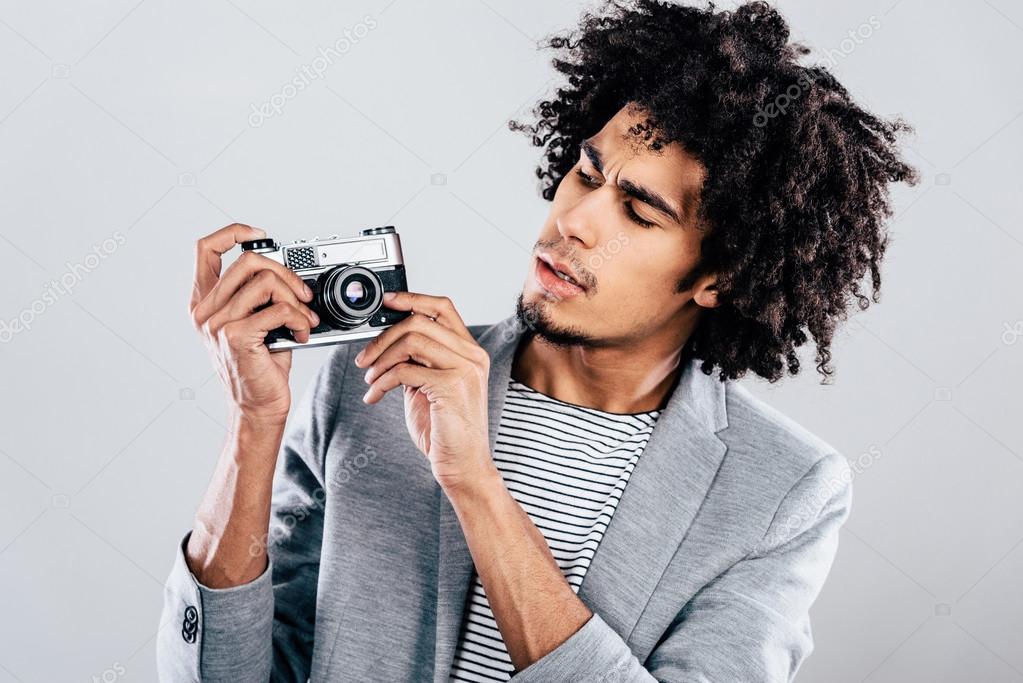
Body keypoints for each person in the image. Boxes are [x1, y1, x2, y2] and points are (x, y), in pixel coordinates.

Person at [157, 1, 917, 680]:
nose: (575, 220)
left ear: (717, 276)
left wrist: (476, 484)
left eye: (639, 212)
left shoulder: (782, 492)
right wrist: (251, 428)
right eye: (586, 175)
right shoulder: (373, 382)